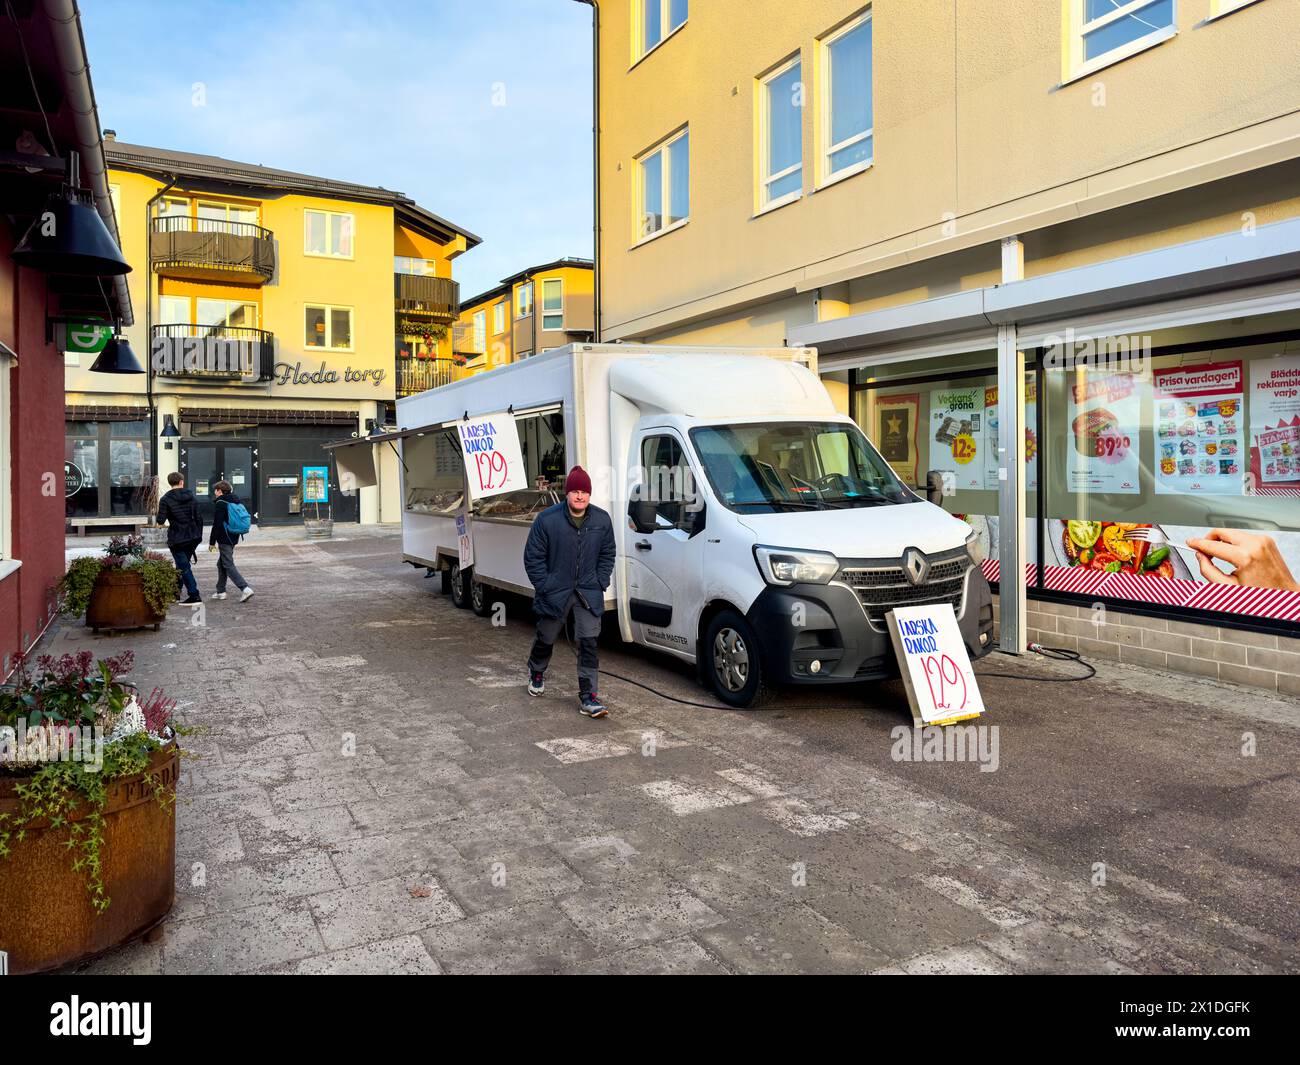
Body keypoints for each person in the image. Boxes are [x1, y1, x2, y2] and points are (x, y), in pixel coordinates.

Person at [523, 466, 616, 718]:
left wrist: (600, 580)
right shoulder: (547, 520)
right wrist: (545, 585)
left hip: (588, 591)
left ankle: (588, 696)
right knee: (546, 636)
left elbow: (608, 554)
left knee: (588, 643)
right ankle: (537, 670)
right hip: (555, 591)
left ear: (589, 494)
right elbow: (533, 557)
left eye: (584, 491)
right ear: (567, 493)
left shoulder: (602, 520)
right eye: (575, 491)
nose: (579, 496)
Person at [155, 471, 203, 604]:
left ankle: (194, 595)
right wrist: (198, 534)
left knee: (183, 567)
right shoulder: (191, 497)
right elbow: (199, 518)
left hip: (177, 538)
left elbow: (160, 520)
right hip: (192, 536)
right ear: (182, 482)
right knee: (181, 565)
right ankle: (174, 593)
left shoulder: (165, 499)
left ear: (170, 483)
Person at [210, 481, 254, 602]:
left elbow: (217, 524)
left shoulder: (221, 503)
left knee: (228, 564)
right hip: (234, 536)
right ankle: (221, 591)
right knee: (221, 563)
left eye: (215, 490)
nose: (214, 492)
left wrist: (212, 542)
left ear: (219, 491)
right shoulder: (236, 500)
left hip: (224, 537)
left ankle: (245, 588)